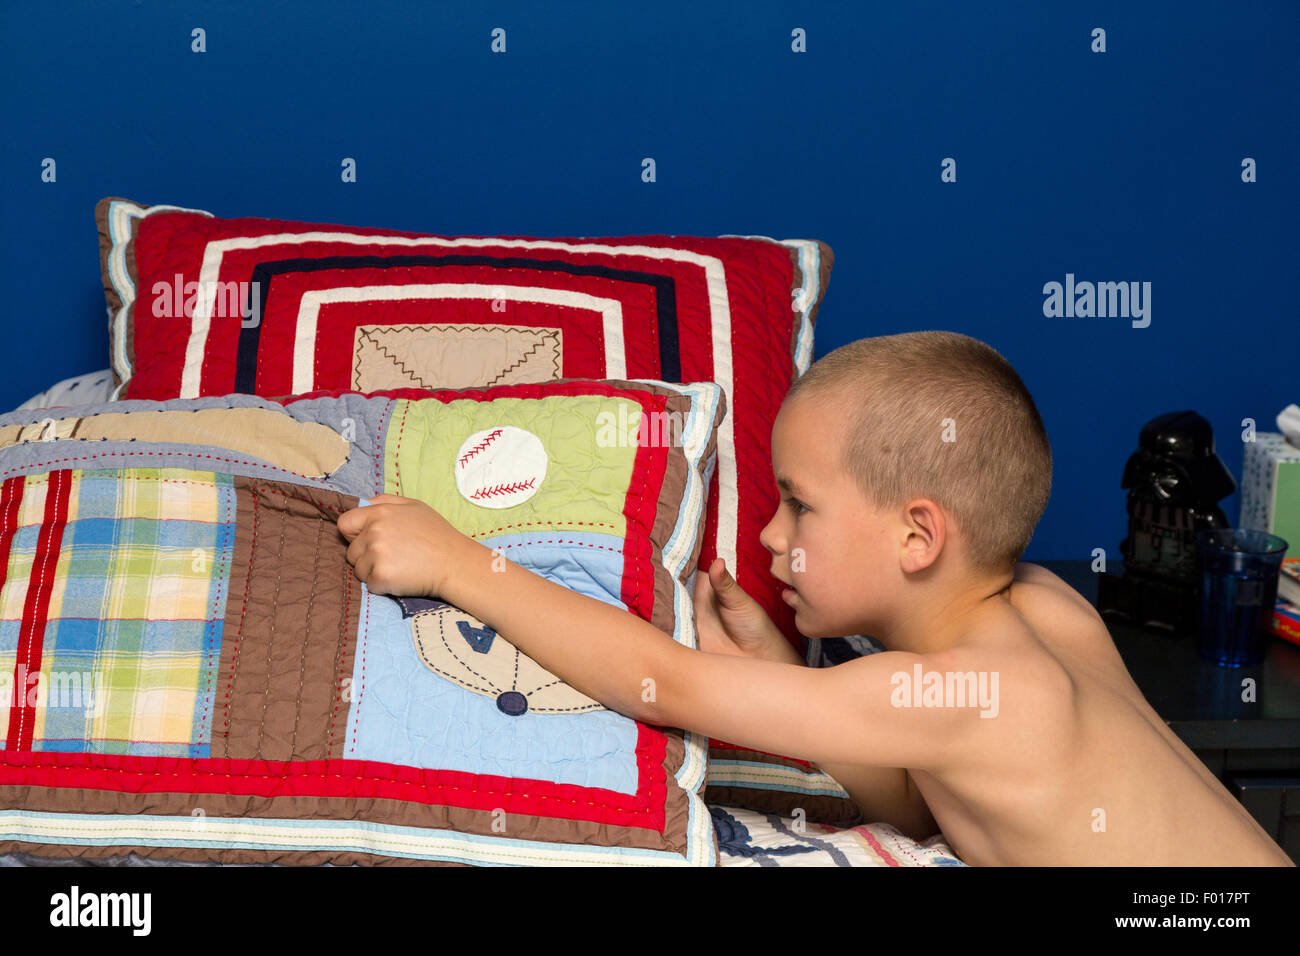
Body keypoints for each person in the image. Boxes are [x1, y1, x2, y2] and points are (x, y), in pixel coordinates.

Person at [337, 331, 1293, 866]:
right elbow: (930, 811)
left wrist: (464, 566)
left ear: (919, 536)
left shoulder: (983, 691)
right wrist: (792, 680)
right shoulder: (1045, 610)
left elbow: (667, 685)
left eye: (799, 505)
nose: (769, 538)